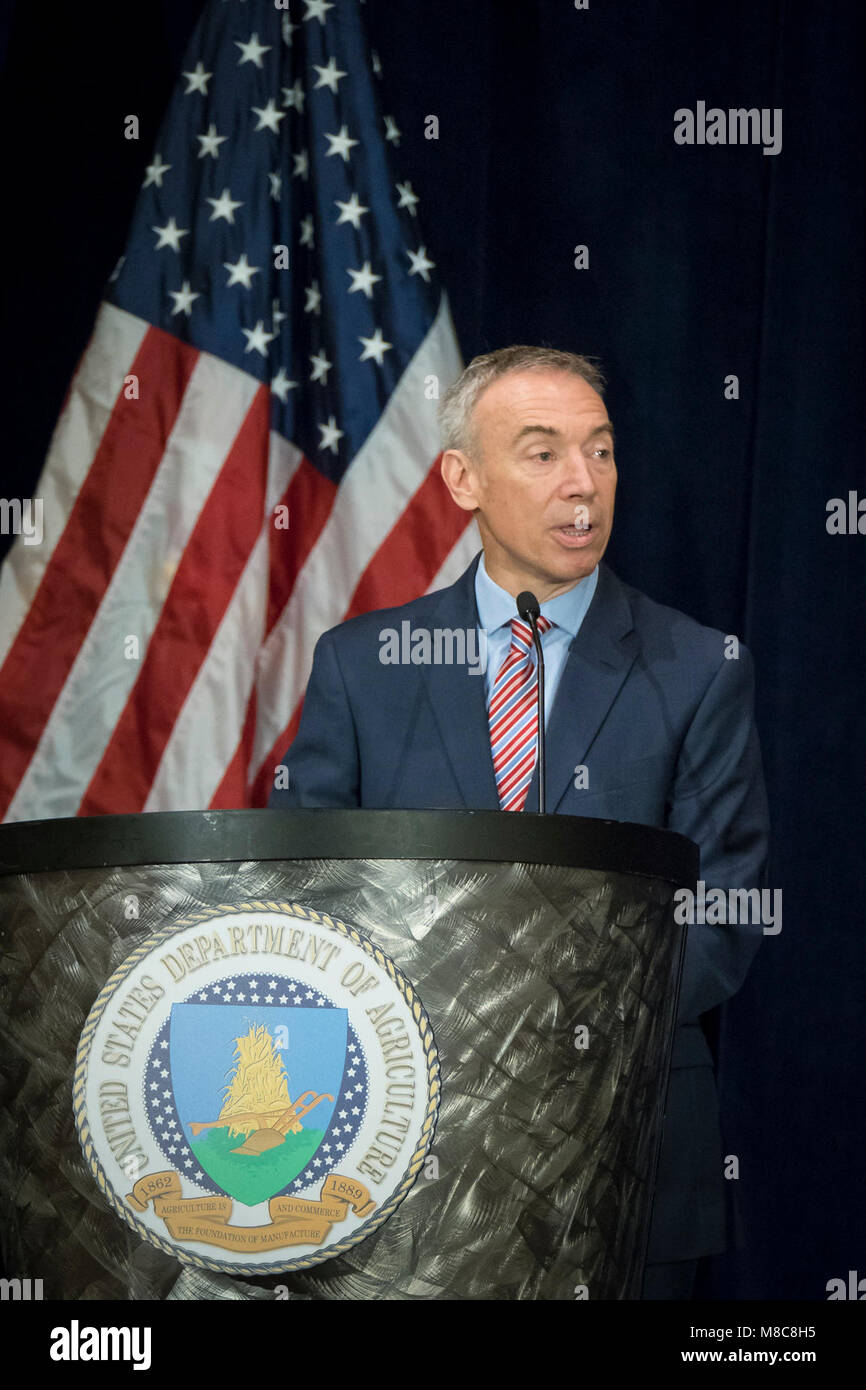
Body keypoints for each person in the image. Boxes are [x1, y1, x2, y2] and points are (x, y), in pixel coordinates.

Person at [268, 345, 770, 1299]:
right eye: (542, 454)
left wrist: (555, 1036)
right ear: (464, 478)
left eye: (602, 450)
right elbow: (307, 894)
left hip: (629, 1145)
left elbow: (725, 914)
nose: (583, 483)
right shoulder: (364, 666)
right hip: (402, 1152)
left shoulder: (699, 667)